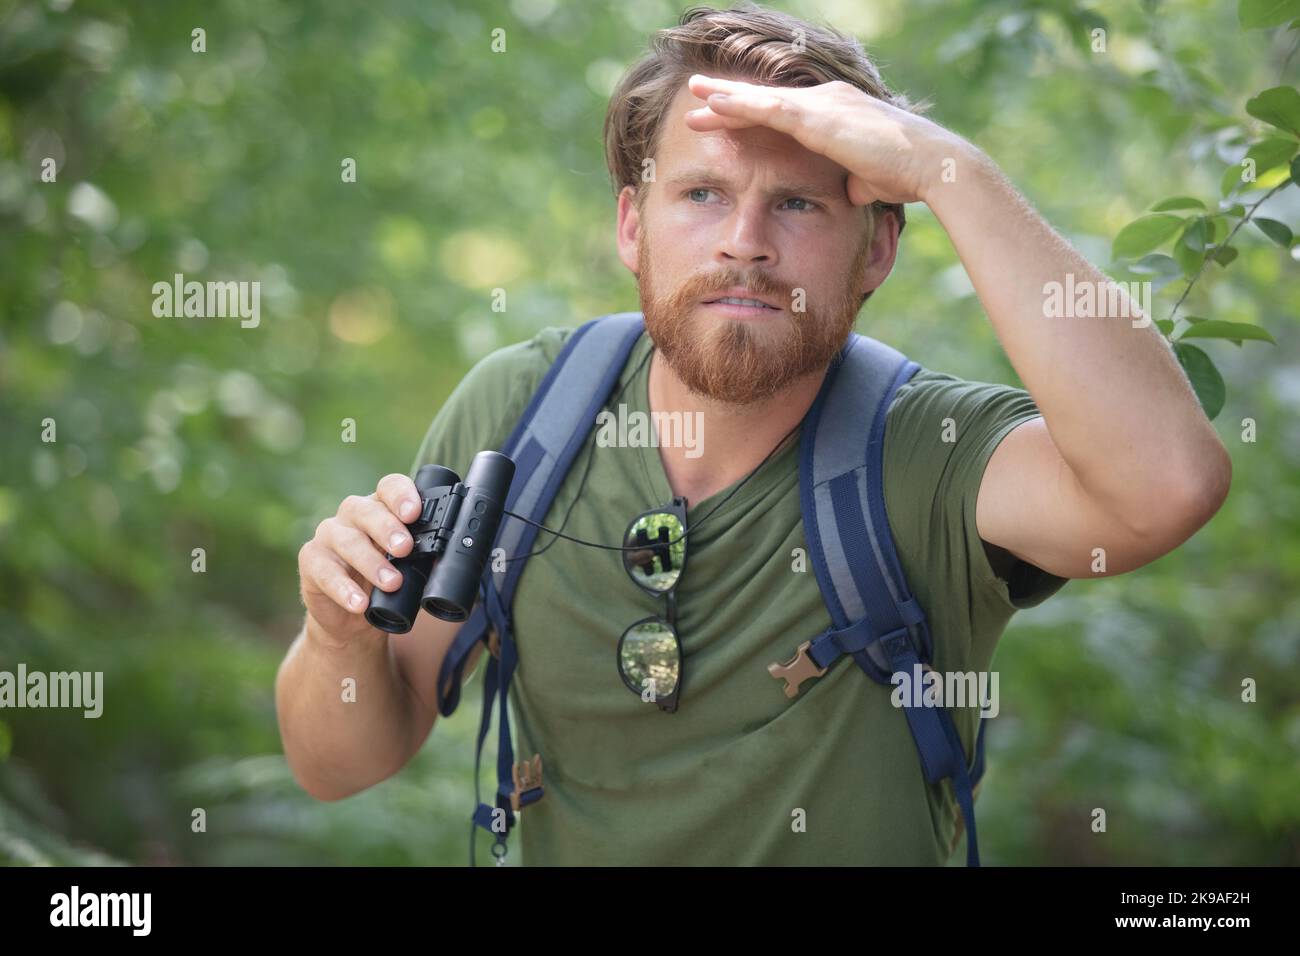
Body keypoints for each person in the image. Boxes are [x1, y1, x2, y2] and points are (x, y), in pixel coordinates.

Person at [276, 3, 1231, 865]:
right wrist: (335, 636)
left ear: (879, 249)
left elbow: (1167, 486)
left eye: (799, 203)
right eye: (701, 195)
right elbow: (336, 765)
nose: (744, 239)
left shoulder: (929, 450)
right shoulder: (524, 413)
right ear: (631, 227)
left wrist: (951, 168)